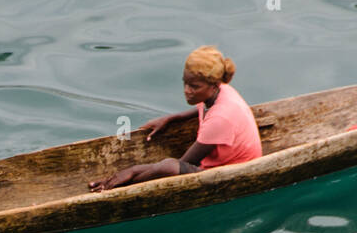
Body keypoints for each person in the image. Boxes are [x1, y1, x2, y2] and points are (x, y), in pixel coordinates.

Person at [88, 46, 262, 192]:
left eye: (194, 86)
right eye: (185, 83)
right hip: (224, 156)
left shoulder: (221, 118)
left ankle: (120, 187)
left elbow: (184, 163)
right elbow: (203, 109)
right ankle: (126, 177)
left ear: (214, 85)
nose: (187, 90)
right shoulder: (220, 91)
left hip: (234, 170)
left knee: (168, 166)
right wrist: (171, 118)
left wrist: (132, 172)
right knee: (164, 164)